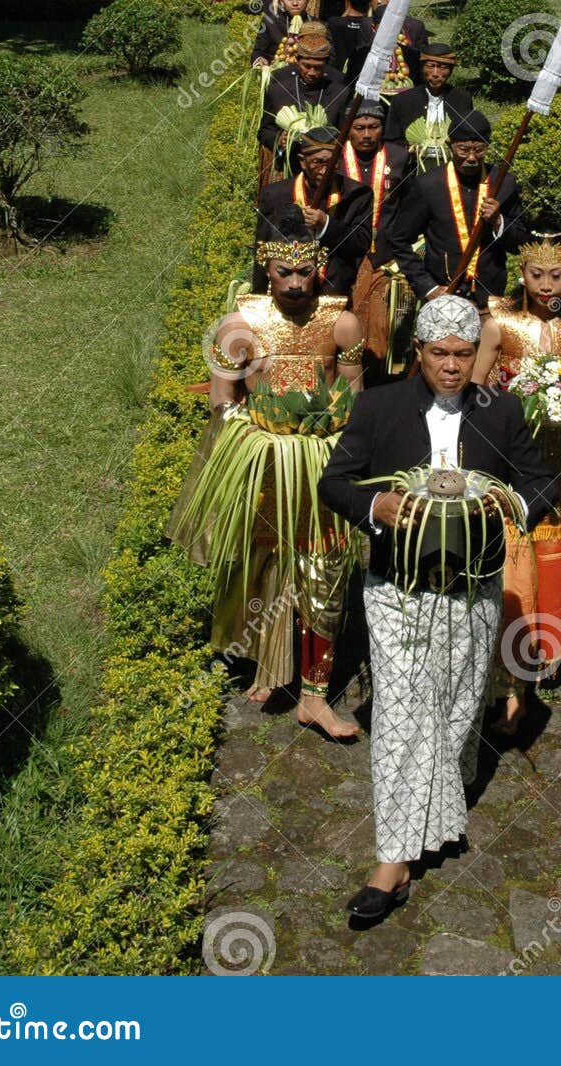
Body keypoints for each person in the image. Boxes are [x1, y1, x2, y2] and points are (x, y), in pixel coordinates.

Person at [320, 295, 557, 921]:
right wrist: (378, 510)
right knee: (400, 711)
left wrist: (508, 508)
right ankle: (391, 864)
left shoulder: (500, 412)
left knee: (453, 710)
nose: (451, 367)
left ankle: (440, 810)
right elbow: (334, 482)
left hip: (472, 590)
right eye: (438, 354)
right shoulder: (378, 407)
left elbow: (541, 482)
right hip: (395, 590)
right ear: (417, 352)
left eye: (462, 354)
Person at [169, 210, 364, 738]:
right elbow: (221, 400)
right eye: (284, 273)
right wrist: (258, 444)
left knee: (324, 567)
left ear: (320, 268)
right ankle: (264, 662)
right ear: (266, 269)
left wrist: (334, 443)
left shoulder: (341, 321)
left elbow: (354, 398)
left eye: (304, 273)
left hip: (321, 465)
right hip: (262, 463)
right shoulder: (240, 324)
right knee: (264, 559)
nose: (296, 284)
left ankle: (315, 693)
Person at [475, 235, 561, 731]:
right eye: (536, 275)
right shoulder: (500, 324)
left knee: (551, 558)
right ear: (521, 274)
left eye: (557, 276)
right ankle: (506, 683)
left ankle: (540, 662)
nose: (547, 285)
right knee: (513, 561)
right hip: (510, 459)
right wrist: (512, 400)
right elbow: (476, 389)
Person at [388, 112, 527, 310]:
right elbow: (399, 239)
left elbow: (521, 243)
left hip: (489, 296)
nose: (471, 158)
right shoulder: (428, 185)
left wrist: (499, 222)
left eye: (479, 150)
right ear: (450, 146)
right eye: (464, 150)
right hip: (442, 294)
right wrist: (427, 287)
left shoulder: (504, 183)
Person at [256, 124, 373, 298]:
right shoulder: (275, 195)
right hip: (287, 292)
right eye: (318, 162)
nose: (325, 171)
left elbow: (361, 244)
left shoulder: (357, 195)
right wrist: (258, 294)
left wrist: (326, 224)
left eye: (331, 163)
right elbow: (261, 249)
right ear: (302, 161)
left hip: (334, 292)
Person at [341, 102, 413, 378]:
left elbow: (408, 203)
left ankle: (378, 378)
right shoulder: (336, 157)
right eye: (359, 128)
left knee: (381, 324)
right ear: (349, 130)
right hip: (345, 253)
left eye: (374, 127)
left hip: (384, 254)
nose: (367, 134)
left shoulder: (398, 157)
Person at [257, 22, 351, 162]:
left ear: (326, 63)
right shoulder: (277, 89)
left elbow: (345, 133)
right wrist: (279, 140)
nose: (312, 73)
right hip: (288, 162)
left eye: (318, 68)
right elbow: (264, 131)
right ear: (297, 60)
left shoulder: (340, 92)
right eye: (306, 66)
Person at [383, 43, 474, 153]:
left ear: (451, 71)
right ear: (422, 68)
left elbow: (467, 137)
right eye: (430, 66)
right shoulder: (403, 100)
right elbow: (392, 139)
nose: (435, 73)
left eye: (443, 67)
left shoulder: (461, 100)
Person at [371, 0, 427, 96]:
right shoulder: (369, 24)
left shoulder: (415, 27)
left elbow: (422, 61)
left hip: (407, 85)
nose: (379, 1)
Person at [251, 0, 312, 68]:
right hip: (276, 73)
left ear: (308, 2)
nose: (295, 3)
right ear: (282, 2)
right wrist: (260, 59)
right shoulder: (270, 23)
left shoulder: (316, 24)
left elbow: (329, 58)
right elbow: (258, 51)